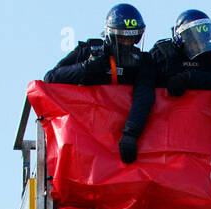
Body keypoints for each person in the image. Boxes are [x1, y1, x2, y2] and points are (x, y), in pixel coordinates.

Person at [44, 4, 157, 164]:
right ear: (111, 36)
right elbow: (51, 78)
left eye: (131, 39)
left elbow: (144, 96)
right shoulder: (90, 51)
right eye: (122, 38)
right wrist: (85, 67)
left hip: (123, 137)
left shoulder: (143, 62)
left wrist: (131, 134)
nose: (126, 43)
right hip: (85, 138)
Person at [151, 9, 211, 96]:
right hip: (167, 108)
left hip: (203, 108)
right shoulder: (163, 53)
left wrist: (189, 77)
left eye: (204, 41)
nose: (201, 46)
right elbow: (145, 83)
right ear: (181, 39)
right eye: (195, 42)